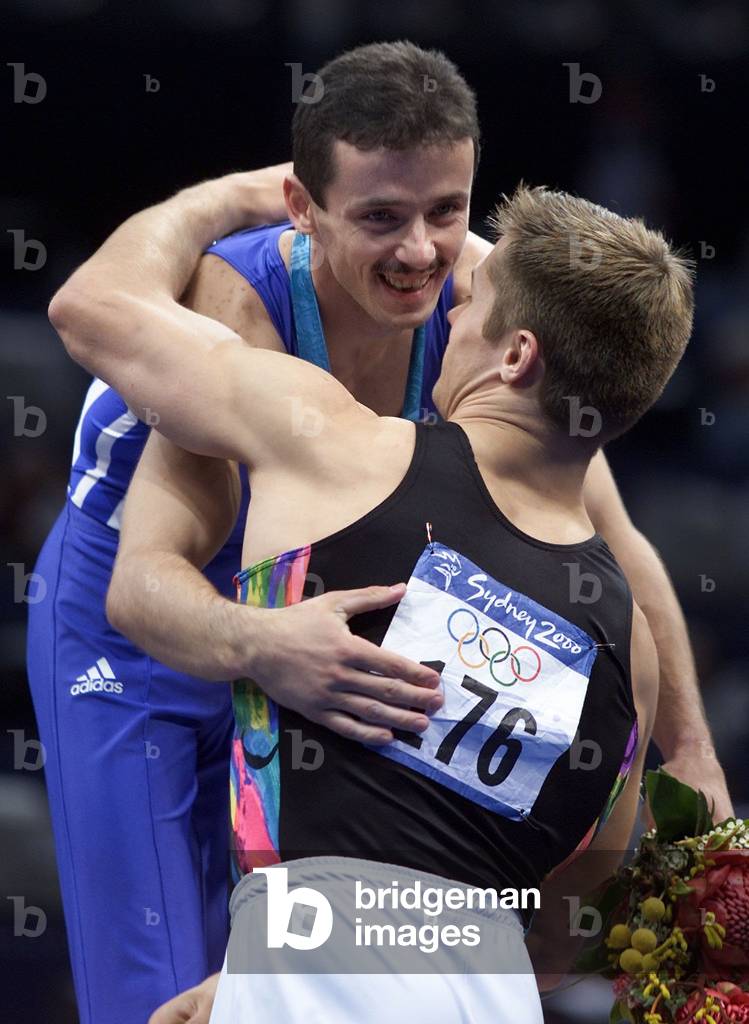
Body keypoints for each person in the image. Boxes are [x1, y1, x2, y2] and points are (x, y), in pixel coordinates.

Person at [43, 38, 730, 1022]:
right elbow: (88, 313)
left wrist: (693, 753)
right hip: (145, 614)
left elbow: (613, 538)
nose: (423, 262)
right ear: (303, 208)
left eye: (446, 217)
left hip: (324, 595)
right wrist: (221, 198)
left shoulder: (484, 297)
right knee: (150, 980)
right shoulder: (248, 317)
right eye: (377, 217)